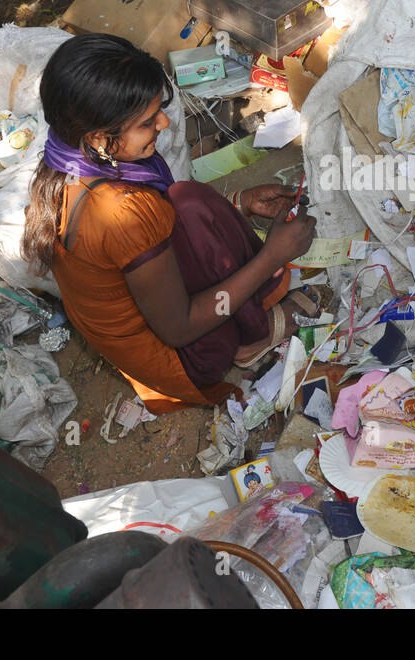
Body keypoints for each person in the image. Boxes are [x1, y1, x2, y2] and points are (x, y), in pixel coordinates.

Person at [21, 34, 318, 414]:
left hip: (156, 310)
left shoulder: (67, 162)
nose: (163, 123)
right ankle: (249, 341)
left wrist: (239, 204)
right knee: (189, 206)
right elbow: (180, 327)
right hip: (188, 354)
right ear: (99, 138)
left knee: (187, 199)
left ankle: (249, 315)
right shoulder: (121, 211)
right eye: (146, 123)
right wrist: (271, 257)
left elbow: (162, 228)